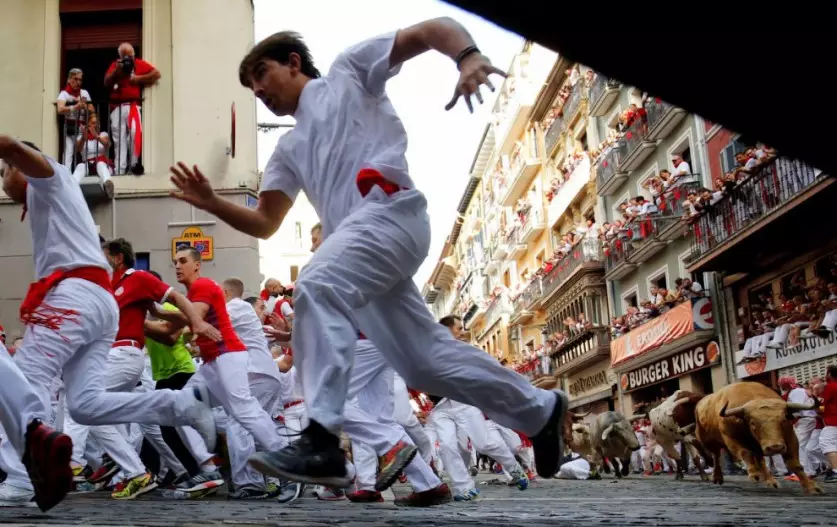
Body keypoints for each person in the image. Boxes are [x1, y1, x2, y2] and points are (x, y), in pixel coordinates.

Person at [167, 19, 567, 486]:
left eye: (262, 74)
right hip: (360, 250)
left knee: (315, 283)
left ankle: (321, 440)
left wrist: (467, 56)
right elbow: (267, 223)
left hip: (389, 214)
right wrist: (214, 202)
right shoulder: (289, 148)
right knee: (423, 362)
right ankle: (540, 410)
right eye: (251, 86)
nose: (258, 89)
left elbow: (430, 30)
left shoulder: (347, 74)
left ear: (294, 63)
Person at [0, 136, 216, 510]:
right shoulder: (43, 196)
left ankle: (20, 479)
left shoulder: (50, 176)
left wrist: (10, 151)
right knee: (84, 405)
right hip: (98, 302)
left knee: (27, 375)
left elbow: (13, 147)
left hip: (75, 295)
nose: (2, 180)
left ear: (20, 164)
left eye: (4, 171)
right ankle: (181, 405)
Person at [104, 42, 160, 175]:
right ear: (121, 56)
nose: (129, 59)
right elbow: (106, 83)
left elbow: (156, 74)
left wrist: (139, 79)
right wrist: (116, 72)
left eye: (131, 56)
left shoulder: (138, 64)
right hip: (117, 107)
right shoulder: (115, 65)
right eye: (126, 57)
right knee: (119, 139)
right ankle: (120, 169)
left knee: (135, 134)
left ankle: (134, 164)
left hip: (133, 106)